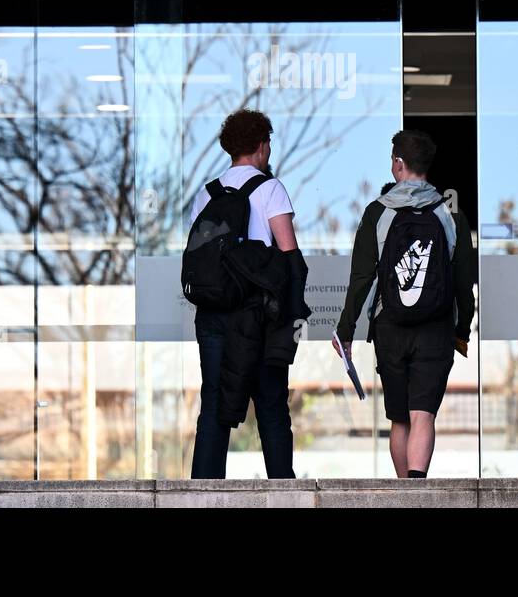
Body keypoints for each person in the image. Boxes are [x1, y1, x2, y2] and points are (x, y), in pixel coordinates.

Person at [333, 129, 476, 479]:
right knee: (422, 415)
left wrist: (346, 329)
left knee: (399, 418)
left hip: (390, 326)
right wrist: (461, 329)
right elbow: (463, 284)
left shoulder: (377, 213)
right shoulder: (450, 217)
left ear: (398, 164)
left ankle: (404, 496)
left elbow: (361, 279)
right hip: (436, 327)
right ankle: (418, 490)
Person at [188, 109, 308, 479]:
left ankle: (202, 497)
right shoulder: (270, 189)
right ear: (261, 145)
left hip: (211, 312)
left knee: (214, 403)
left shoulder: (206, 195)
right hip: (257, 315)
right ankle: (283, 493)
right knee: (270, 403)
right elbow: (290, 255)